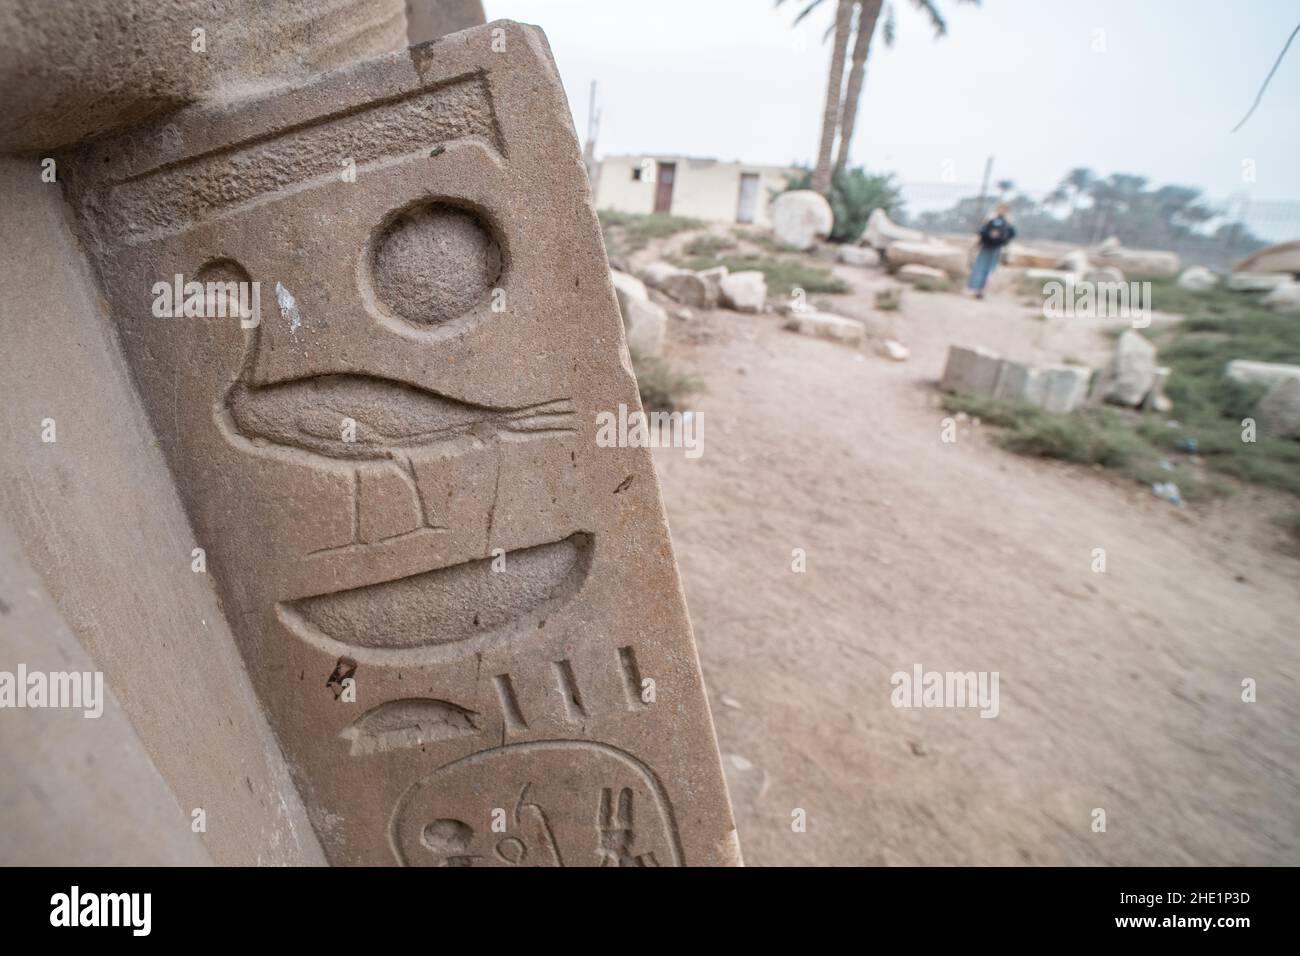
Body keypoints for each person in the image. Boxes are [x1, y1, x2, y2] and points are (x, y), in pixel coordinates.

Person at [967, 202, 1016, 299]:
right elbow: (1011, 235)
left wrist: (974, 245)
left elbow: (981, 232)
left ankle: (976, 289)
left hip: (985, 247)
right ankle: (983, 291)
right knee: (990, 270)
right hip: (996, 249)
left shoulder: (990, 219)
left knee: (980, 267)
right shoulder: (1008, 222)